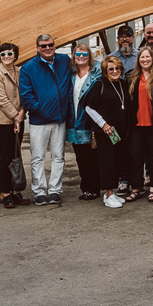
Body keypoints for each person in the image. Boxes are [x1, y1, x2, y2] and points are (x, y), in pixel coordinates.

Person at [18, 33, 72, 206]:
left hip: (60, 119)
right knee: (38, 157)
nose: (47, 48)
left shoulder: (64, 60)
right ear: (37, 48)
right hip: (39, 121)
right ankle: (39, 191)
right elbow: (26, 95)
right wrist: (38, 109)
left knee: (58, 157)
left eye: (50, 45)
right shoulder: (28, 68)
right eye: (43, 46)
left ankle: (55, 190)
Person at [83, 54, 133, 208]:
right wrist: (103, 124)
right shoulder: (100, 85)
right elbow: (88, 107)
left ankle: (112, 192)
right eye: (110, 69)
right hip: (106, 132)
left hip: (120, 132)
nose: (114, 71)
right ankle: (108, 193)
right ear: (105, 71)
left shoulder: (123, 84)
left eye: (117, 68)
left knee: (117, 162)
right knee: (107, 162)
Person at [0, 39, 27, 207]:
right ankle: (6, 192)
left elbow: (26, 93)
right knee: (5, 157)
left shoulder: (21, 71)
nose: (7, 56)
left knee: (16, 155)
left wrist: (22, 113)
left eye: (10, 53)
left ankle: (16, 191)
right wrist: (16, 116)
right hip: (3, 122)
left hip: (19, 118)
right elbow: (1, 99)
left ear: (15, 55)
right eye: (3, 54)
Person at [64, 47, 102, 201]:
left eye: (84, 53)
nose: (81, 56)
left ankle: (94, 188)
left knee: (91, 157)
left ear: (89, 55)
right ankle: (86, 187)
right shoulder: (71, 75)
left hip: (89, 121)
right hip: (74, 122)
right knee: (80, 157)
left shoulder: (96, 74)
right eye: (78, 54)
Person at [128, 47, 153, 202]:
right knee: (135, 156)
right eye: (142, 57)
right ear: (138, 59)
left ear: (152, 58)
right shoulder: (132, 77)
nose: (145, 60)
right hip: (136, 124)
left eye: (147, 57)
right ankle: (136, 187)